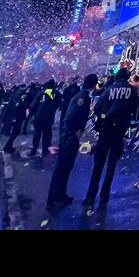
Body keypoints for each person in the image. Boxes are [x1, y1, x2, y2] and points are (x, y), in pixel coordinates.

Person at [83, 66, 139, 209]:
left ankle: (90, 196)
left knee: (98, 164)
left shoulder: (109, 90)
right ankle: (105, 195)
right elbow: (135, 107)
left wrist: (105, 116)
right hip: (120, 130)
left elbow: (97, 108)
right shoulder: (131, 91)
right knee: (112, 163)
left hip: (106, 129)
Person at [47, 73, 96, 210]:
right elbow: (71, 117)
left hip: (69, 136)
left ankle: (60, 195)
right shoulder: (82, 98)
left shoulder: (82, 96)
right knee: (63, 167)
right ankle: (54, 198)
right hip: (69, 137)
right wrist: (74, 132)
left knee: (66, 167)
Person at [29, 79, 61, 158]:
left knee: (37, 134)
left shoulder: (41, 92)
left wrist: (33, 113)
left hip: (39, 116)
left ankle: (34, 149)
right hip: (49, 117)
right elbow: (59, 104)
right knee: (47, 134)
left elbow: (33, 105)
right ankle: (45, 150)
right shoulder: (56, 93)